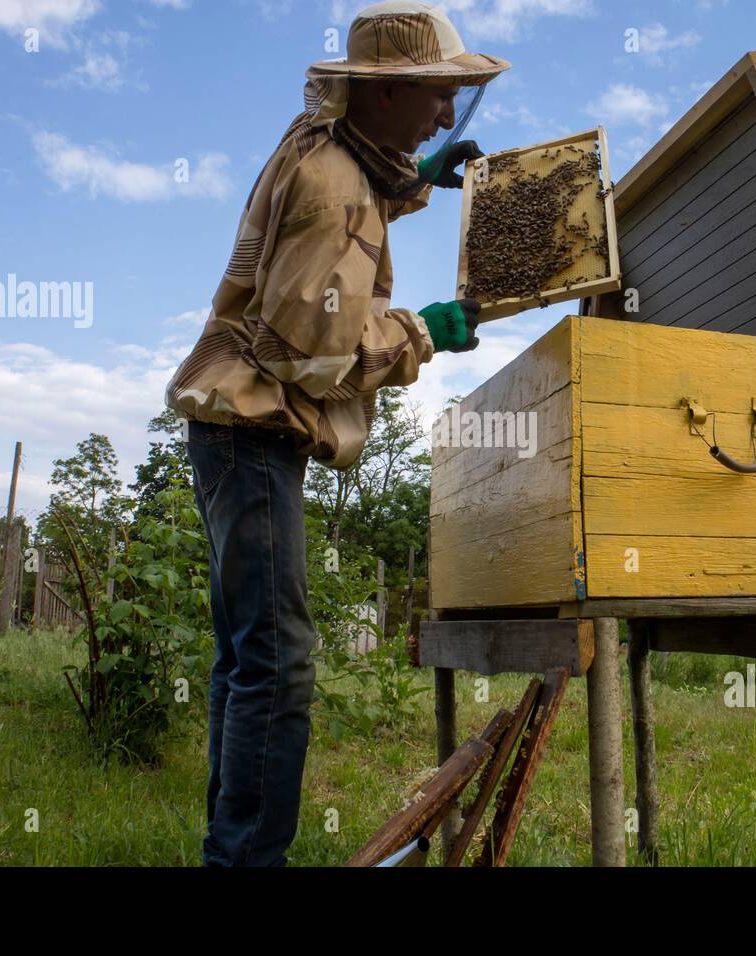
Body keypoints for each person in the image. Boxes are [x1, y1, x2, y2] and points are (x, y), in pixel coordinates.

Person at [164, 1, 510, 867]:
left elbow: (372, 189)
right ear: (384, 93)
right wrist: (425, 330)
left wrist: (422, 175)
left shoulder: (331, 141)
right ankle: (247, 860)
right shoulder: (331, 193)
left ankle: (229, 852)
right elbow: (304, 359)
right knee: (278, 668)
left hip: (235, 431)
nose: (444, 112)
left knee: (248, 660)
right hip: (253, 431)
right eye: (436, 97)